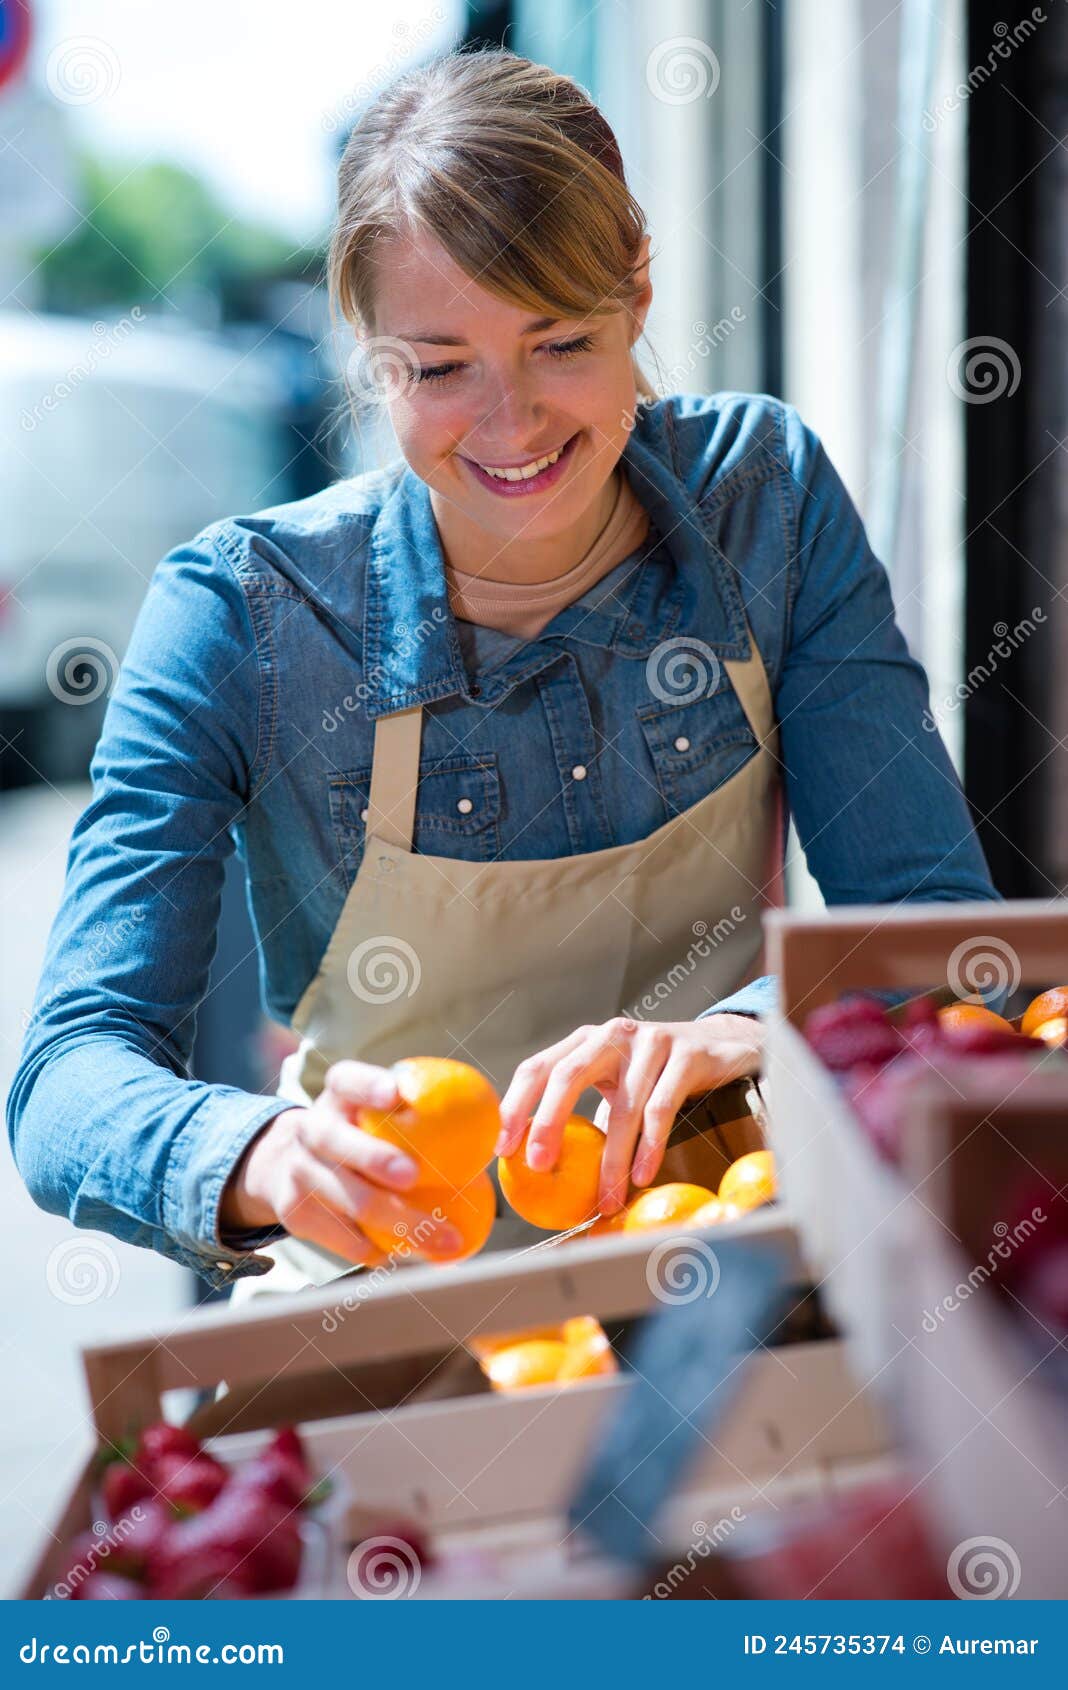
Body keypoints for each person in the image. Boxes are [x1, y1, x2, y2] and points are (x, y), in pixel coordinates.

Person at [7, 47, 998, 1303]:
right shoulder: (242, 615)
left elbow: (935, 935)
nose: (513, 424)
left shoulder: (767, 500)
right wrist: (257, 1149)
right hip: (377, 1309)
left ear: (638, 291)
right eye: (439, 365)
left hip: (721, 1273)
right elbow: (68, 1073)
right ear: (370, 353)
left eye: (560, 341)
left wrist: (743, 1027)